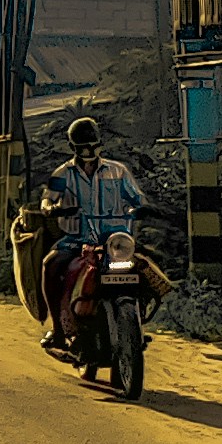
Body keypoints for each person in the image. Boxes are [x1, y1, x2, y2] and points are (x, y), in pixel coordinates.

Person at [39, 115, 142, 370]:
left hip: (115, 243)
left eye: (92, 145)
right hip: (76, 241)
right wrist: (51, 208)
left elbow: (137, 198)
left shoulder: (118, 171)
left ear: (100, 144)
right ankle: (58, 330)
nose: (88, 151)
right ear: (73, 147)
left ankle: (138, 324)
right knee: (50, 266)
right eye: (83, 146)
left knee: (148, 272)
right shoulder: (62, 173)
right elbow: (46, 200)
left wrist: (141, 209)